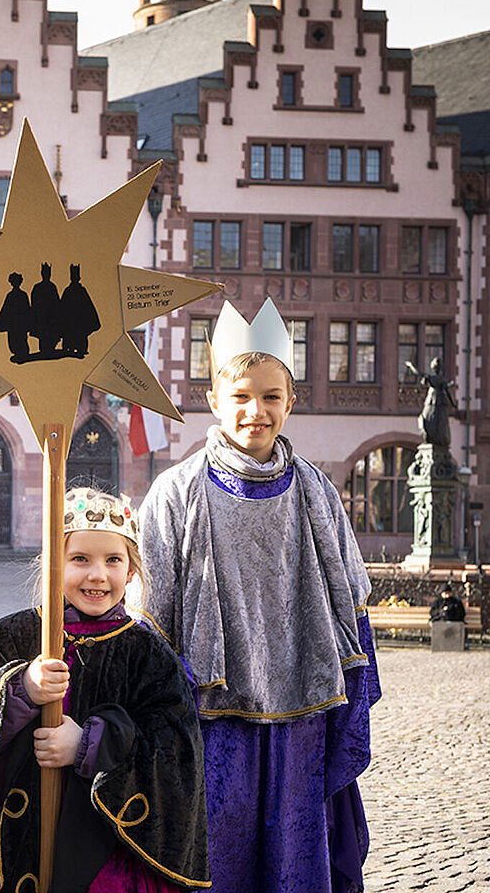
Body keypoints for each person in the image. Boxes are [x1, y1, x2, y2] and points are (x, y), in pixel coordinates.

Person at [138, 298, 380, 893]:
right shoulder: (175, 493)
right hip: (213, 718)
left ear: (290, 402)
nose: (256, 411)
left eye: (271, 397)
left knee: (294, 860)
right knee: (217, 854)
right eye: (241, 396)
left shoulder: (317, 492)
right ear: (214, 400)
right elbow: (154, 614)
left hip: (303, 713)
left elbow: (348, 599)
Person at [0, 486, 209, 893]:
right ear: (53, 564)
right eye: (80, 559)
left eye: (113, 560)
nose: (97, 574)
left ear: (131, 572)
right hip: (18, 837)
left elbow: (176, 754)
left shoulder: (149, 654)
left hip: (110, 850)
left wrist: (87, 745)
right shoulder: (14, 636)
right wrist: (21, 688)